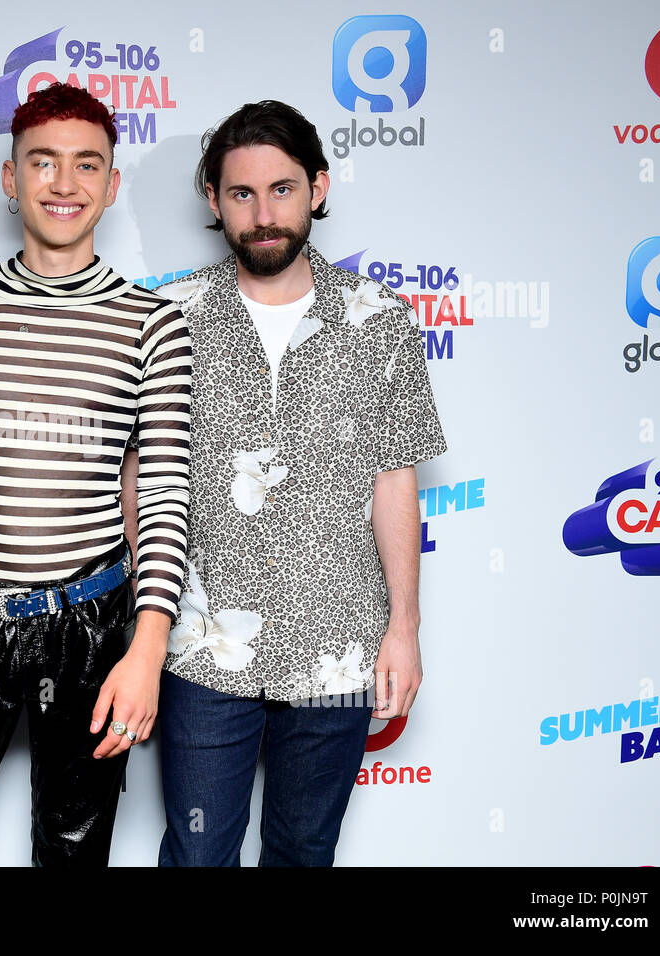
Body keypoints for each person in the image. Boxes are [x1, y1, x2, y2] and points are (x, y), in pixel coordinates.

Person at [0, 82, 192, 866]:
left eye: (87, 165)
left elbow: (161, 498)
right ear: (10, 179)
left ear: (112, 185)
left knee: (75, 853)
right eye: (42, 162)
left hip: (89, 625)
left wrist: (147, 650)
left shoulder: (153, 325)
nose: (64, 183)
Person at [154, 100, 446, 866]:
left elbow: (394, 480)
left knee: (303, 852)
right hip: (199, 643)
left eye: (282, 189)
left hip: (339, 646)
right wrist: (147, 619)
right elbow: (141, 478)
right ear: (213, 200)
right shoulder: (171, 317)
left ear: (317, 188)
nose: (263, 214)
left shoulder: (380, 318)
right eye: (241, 194)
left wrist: (405, 628)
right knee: (195, 854)